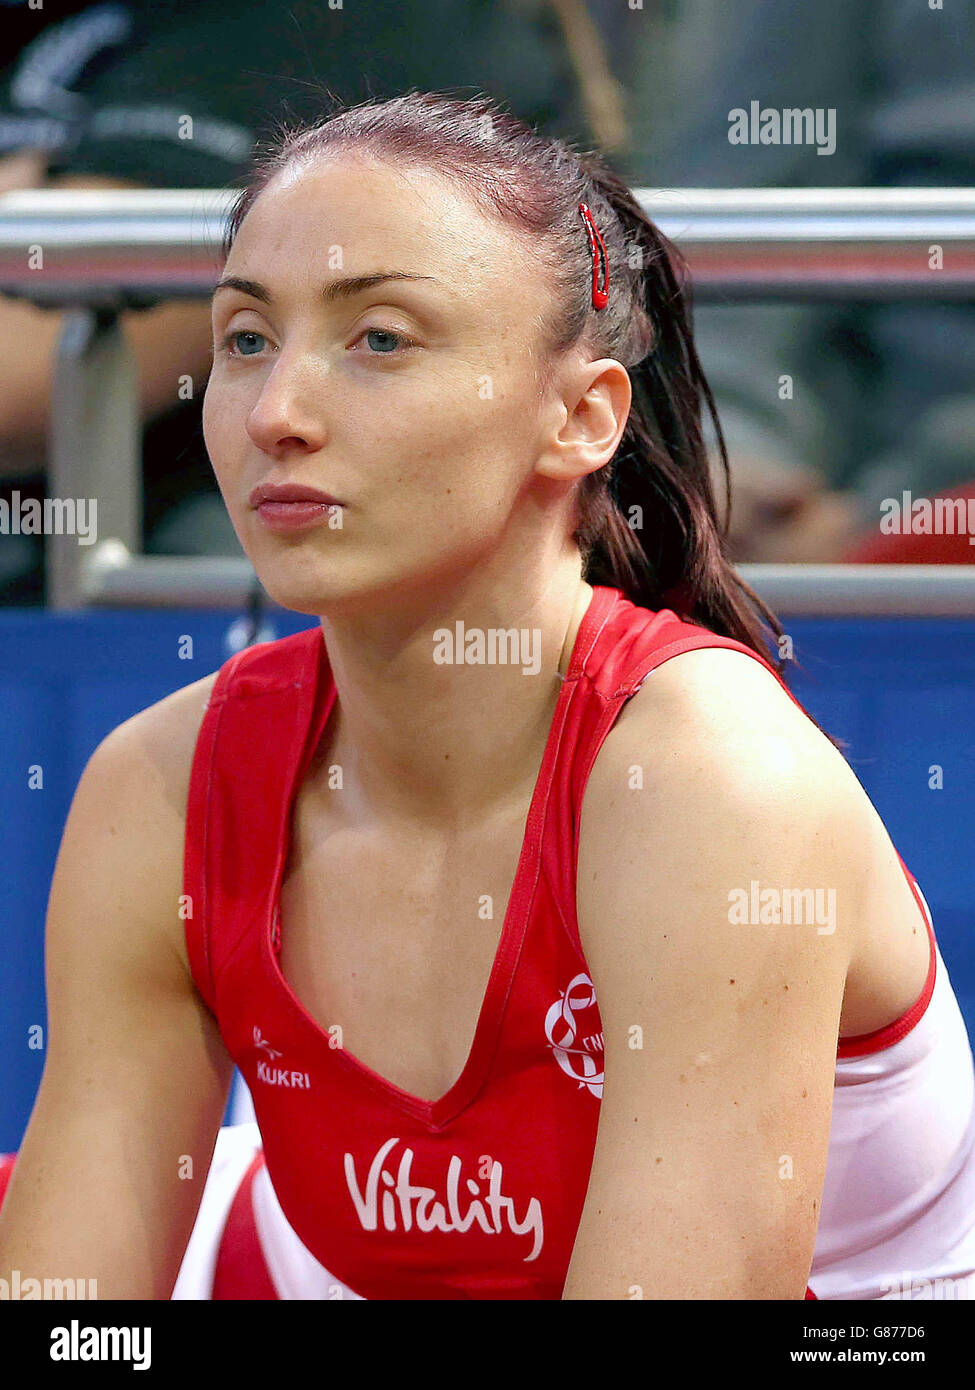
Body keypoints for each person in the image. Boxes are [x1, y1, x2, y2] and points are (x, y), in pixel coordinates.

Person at [2, 90, 974, 1300]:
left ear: (579, 417)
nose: (277, 414)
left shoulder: (714, 786)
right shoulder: (159, 785)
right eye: (247, 338)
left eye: (381, 340)